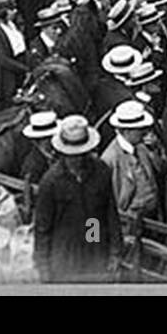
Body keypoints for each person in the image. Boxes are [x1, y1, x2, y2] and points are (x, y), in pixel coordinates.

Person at [33, 115, 122, 282]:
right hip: (63, 251)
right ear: (63, 153)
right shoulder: (51, 181)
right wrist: (43, 266)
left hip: (93, 243)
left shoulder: (101, 172)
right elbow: (43, 228)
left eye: (82, 153)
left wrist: (114, 253)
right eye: (72, 155)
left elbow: (109, 214)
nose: (78, 159)